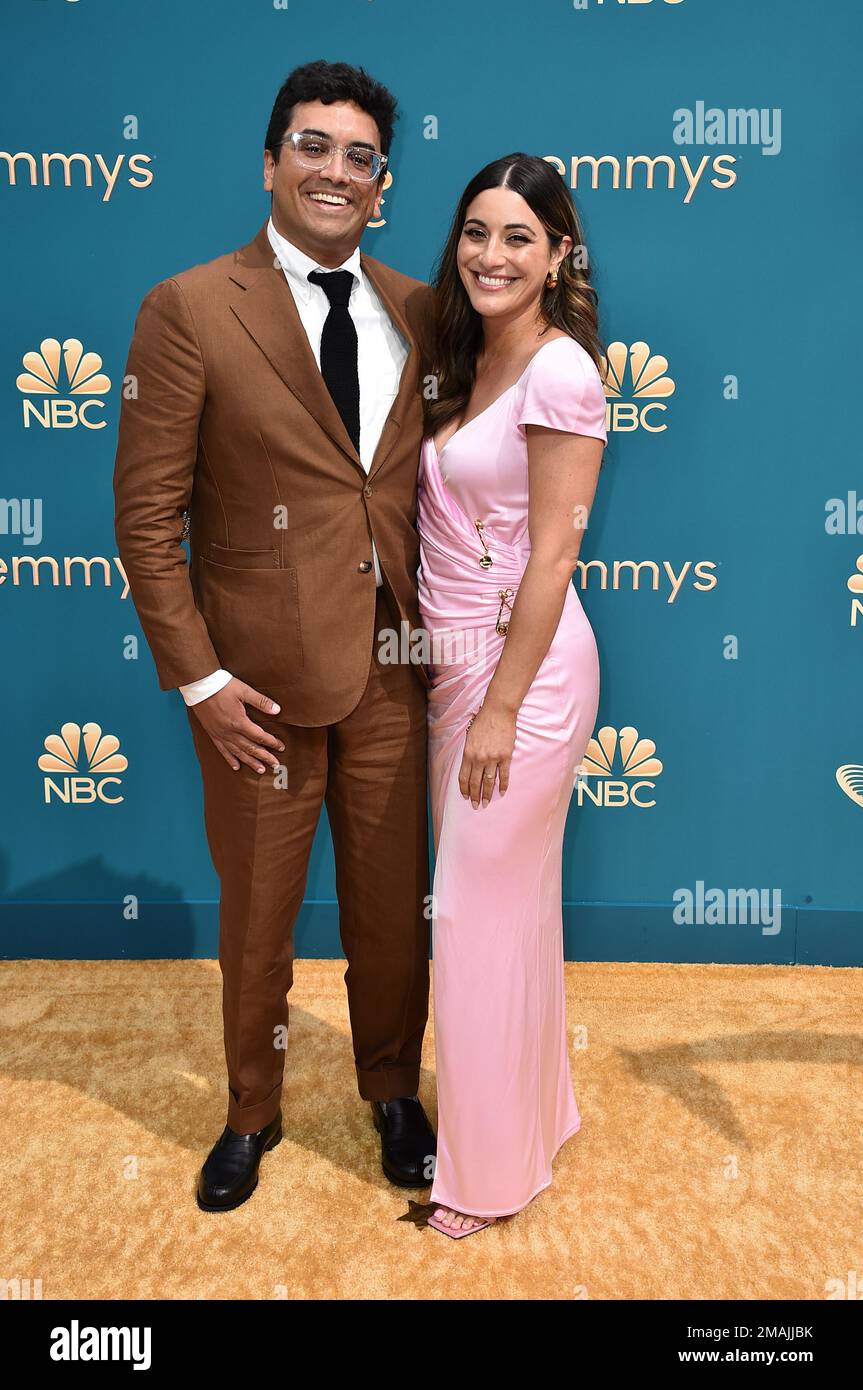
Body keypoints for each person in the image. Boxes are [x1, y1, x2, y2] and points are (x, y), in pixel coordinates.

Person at [113, 61, 437, 1211]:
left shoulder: (417, 308)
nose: (334, 171)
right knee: (256, 912)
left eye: (359, 157)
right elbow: (147, 521)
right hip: (253, 684)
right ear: (269, 159)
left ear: (381, 184)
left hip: (399, 669)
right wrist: (199, 679)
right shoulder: (191, 306)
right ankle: (253, 1107)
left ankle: (393, 1090)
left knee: (394, 908)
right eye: (313, 146)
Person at [416, 154, 607, 1238]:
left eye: (518, 237)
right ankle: (538, 1112)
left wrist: (496, 707)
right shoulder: (467, 358)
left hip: (521, 680)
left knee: (479, 918)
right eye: (476, 231)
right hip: (453, 668)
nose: (492, 254)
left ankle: (484, 1174)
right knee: (507, 912)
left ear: (557, 255)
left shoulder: (561, 371)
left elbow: (551, 559)